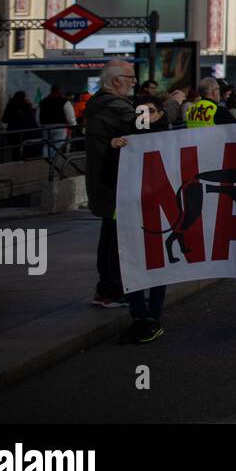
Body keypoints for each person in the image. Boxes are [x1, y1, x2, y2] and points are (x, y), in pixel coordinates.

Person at [85, 59, 168, 343]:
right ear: (115, 80)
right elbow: (141, 122)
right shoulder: (114, 106)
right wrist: (170, 107)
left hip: (107, 182)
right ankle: (116, 292)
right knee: (119, 242)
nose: (134, 81)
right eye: (130, 77)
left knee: (110, 236)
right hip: (116, 185)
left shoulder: (100, 103)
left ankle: (108, 289)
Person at [38, 85, 76, 156]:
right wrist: (73, 125)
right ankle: (53, 161)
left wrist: (41, 125)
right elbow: (70, 117)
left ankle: (46, 161)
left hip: (46, 126)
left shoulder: (42, 102)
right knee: (58, 145)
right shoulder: (64, 102)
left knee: (46, 145)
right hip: (60, 127)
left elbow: (37, 117)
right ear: (60, 91)